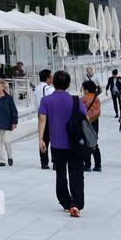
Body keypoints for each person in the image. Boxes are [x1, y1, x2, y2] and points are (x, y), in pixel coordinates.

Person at [38, 70, 88, 217]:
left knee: (60, 174)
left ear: (53, 83)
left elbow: (42, 120)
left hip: (57, 145)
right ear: (68, 84)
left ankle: (66, 202)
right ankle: (76, 203)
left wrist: (41, 139)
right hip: (75, 145)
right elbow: (85, 119)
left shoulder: (46, 100)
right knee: (76, 174)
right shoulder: (76, 101)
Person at [36, 69, 56, 168]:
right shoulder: (49, 89)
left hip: (39, 115)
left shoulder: (36, 88)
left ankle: (44, 162)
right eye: (51, 76)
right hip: (50, 116)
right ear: (48, 78)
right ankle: (55, 162)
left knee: (43, 138)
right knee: (54, 139)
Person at [81, 80, 102, 172]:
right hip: (95, 123)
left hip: (85, 124)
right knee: (94, 144)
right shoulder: (97, 99)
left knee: (85, 144)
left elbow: (80, 112)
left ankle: (87, 165)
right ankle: (98, 165)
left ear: (86, 90)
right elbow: (97, 112)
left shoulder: (82, 99)